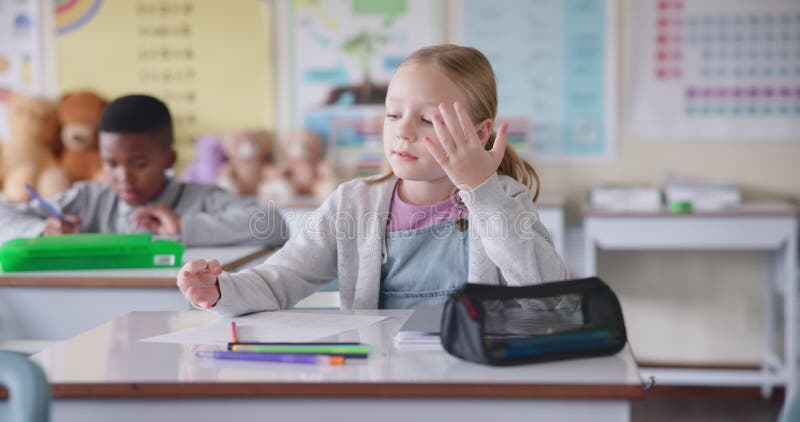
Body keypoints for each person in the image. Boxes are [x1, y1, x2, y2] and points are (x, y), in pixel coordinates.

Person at [178, 44, 569, 314]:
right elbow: (279, 280)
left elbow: (549, 297)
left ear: (480, 134)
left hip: (474, 377)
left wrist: (481, 190)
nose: (403, 131)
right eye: (393, 114)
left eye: (427, 119)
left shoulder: (504, 198)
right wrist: (221, 290)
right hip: (381, 379)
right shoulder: (352, 203)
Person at [0, 94, 287, 247]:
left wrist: (184, 228)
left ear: (170, 159)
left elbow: (273, 225)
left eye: (139, 164)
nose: (124, 178)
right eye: (112, 164)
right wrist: (41, 231)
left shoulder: (200, 198)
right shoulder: (88, 198)